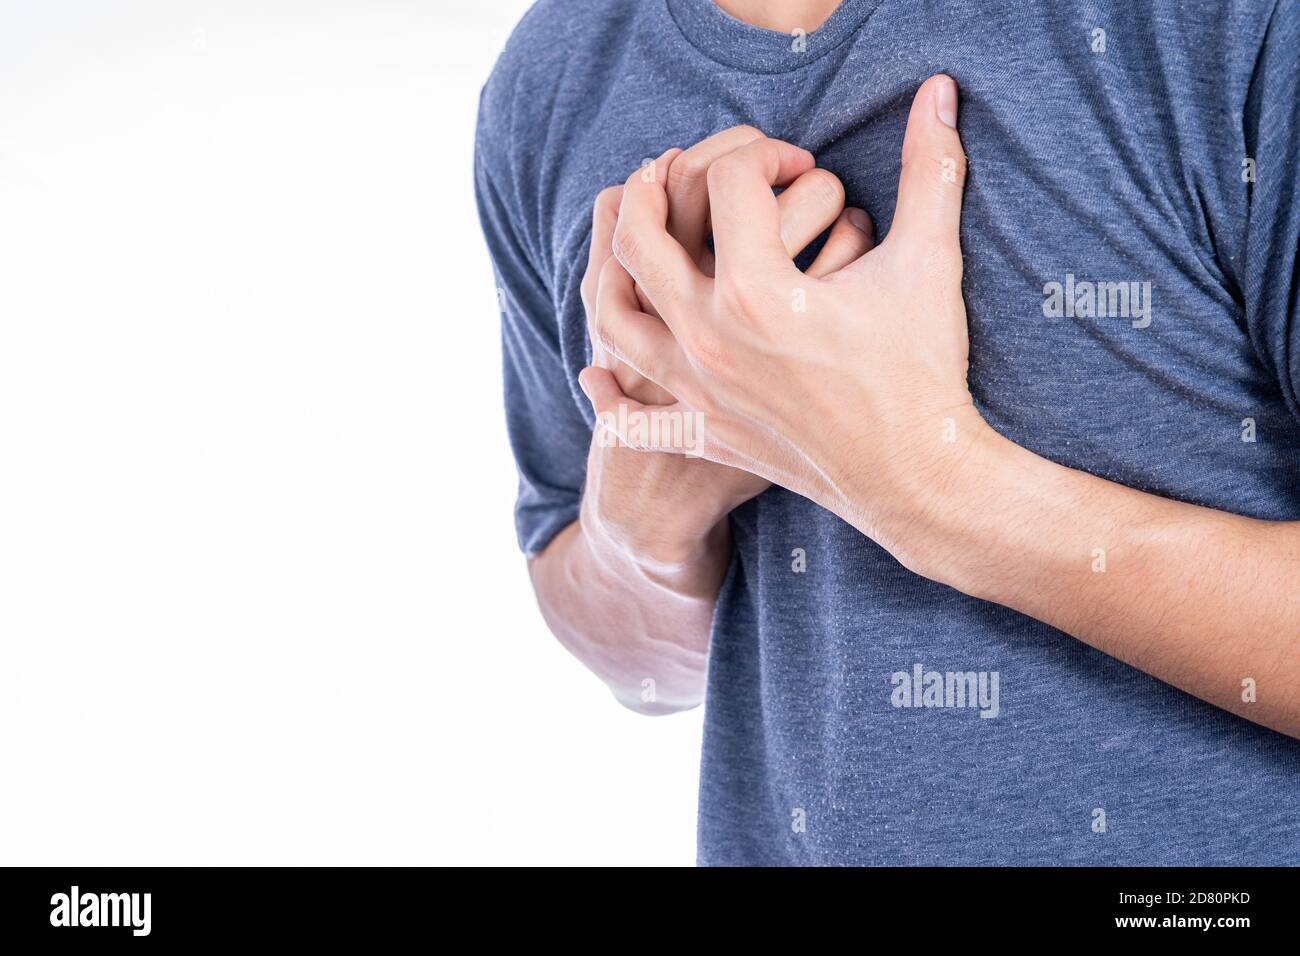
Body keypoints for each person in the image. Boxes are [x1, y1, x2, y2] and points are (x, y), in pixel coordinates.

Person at [475, 0, 1300, 865]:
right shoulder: (553, 71)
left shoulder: (1230, 25)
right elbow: (636, 663)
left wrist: (927, 485)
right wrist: (636, 529)